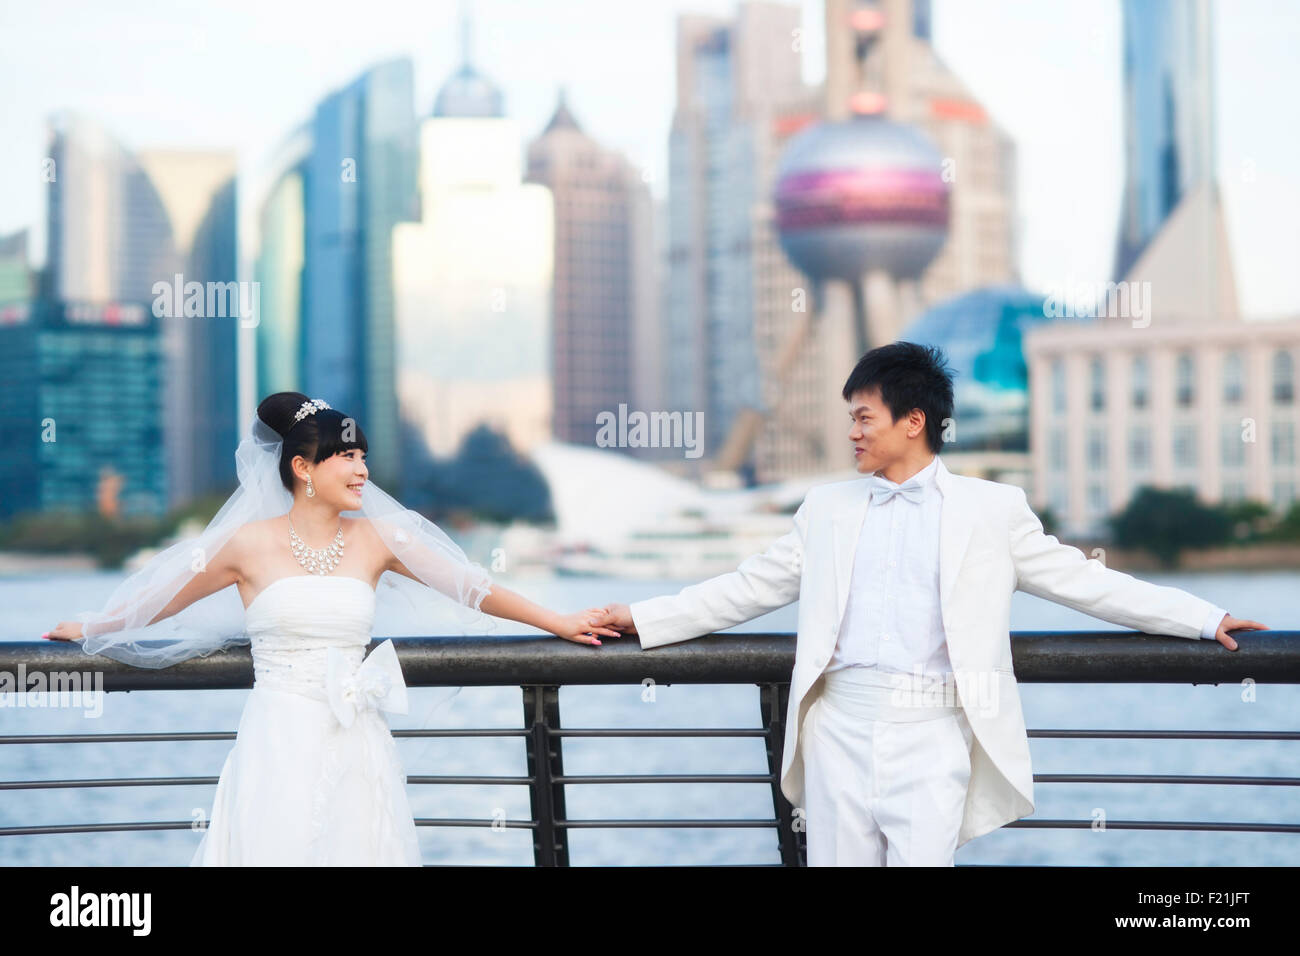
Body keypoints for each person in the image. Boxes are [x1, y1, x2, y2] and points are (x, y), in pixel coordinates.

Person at [592, 342, 1268, 866]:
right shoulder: (825, 507)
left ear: (913, 421)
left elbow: (1085, 580)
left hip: (934, 731)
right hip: (837, 730)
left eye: (864, 418)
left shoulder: (993, 509)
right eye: (851, 418)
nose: (852, 432)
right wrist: (644, 617)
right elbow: (747, 587)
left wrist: (1203, 619)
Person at [44, 391, 619, 866]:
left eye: (364, 457)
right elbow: (163, 598)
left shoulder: (378, 539)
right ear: (302, 469)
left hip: (356, 739)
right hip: (279, 737)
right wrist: (95, 626)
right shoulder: (245, 544)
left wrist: (557, 620)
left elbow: (472, 585)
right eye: (347, 457)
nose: (363, 470)